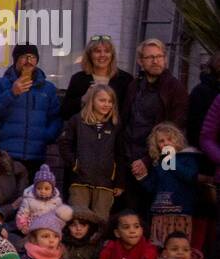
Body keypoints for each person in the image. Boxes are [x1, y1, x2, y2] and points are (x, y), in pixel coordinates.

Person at [121, 39, 188, 213]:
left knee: (156, 211)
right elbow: (126, 123)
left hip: (160, 160)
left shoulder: (174, 88)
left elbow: (176, 130)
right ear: (140, 61)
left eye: (159, 56)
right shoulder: (134, 86)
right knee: (131, 213)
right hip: (131, 159)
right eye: (150, 57)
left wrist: (147, 160)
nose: (156, 61)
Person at [0, 43, 62, 182]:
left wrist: (46, 136)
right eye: (24, 56)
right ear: (16, 59)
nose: (29, 60)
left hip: (36, 154)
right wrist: (12, 93)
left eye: (32, 57)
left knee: (32, 199)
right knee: (7, 198)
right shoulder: (0, 84)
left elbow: (56, 118)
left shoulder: (48, 88)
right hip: (6, 153)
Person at [58, 83, 123, 220]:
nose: (106, 104)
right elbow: (64, 144)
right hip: (80, 180)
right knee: (79, 219)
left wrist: (119, 182)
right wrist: (75, 164)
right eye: (102, 100)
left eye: (110, 101)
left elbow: (120, 154)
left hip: (105, 183)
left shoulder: (115, 125)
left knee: (101, 220)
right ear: (92, 101)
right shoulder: (77, 121)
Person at [143, 121, 202, 244]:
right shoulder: (158, 163)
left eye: (169, 139)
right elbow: (152, 187)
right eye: (161, 141)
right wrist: (142, 177)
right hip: (160, 213)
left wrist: (172, 162)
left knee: (178, 245)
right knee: (159, 246)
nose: (166, 143)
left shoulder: (188, 157)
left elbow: (190, 177)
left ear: (177, 140)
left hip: (181, 212)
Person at [58, 35, 133, 122]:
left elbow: (128, 113)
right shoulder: (78, 79)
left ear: (112, 55)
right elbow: (65, 112)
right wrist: (83, 99)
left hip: (115, 133)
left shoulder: (125, 79)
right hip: (84, 132)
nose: (102, 55)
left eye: (107, 51)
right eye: (97, 51)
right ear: (89, 55)